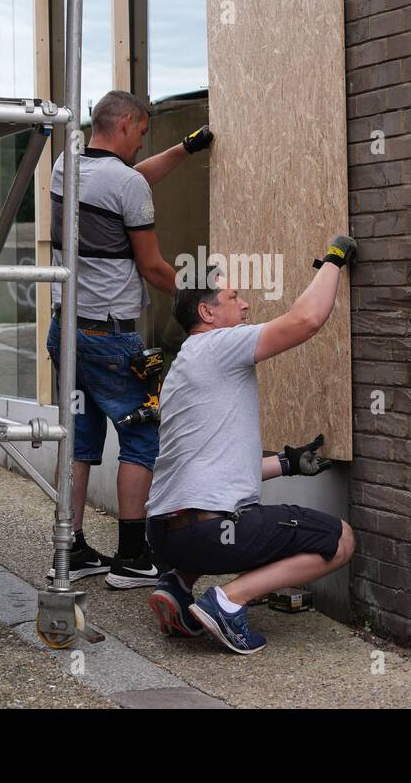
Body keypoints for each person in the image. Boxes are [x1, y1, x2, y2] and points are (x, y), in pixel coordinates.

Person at [144, 237, 358, 653]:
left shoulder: (183, 367)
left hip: (167, 537)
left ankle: (178, 583)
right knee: (341, 539)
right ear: (207, 312)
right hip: (212, 531)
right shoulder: (219, 345)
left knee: (214, 522)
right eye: (233, 297)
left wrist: (288, 463)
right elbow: (306, 320)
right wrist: (333, 260)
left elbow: (216, 464)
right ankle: (228, 601)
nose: (244, 306)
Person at [45, 89, 213, 588]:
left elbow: (129, 181)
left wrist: (183, 149)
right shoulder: (126, 185)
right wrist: (202, 300)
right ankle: (133, 556)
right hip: (113, 341)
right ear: (125, 125)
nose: (142, 142)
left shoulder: (65, 165)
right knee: (142, 437)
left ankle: (69, 549)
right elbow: (153, 267)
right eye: (142, 132)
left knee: (79, 441)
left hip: (67, 331)